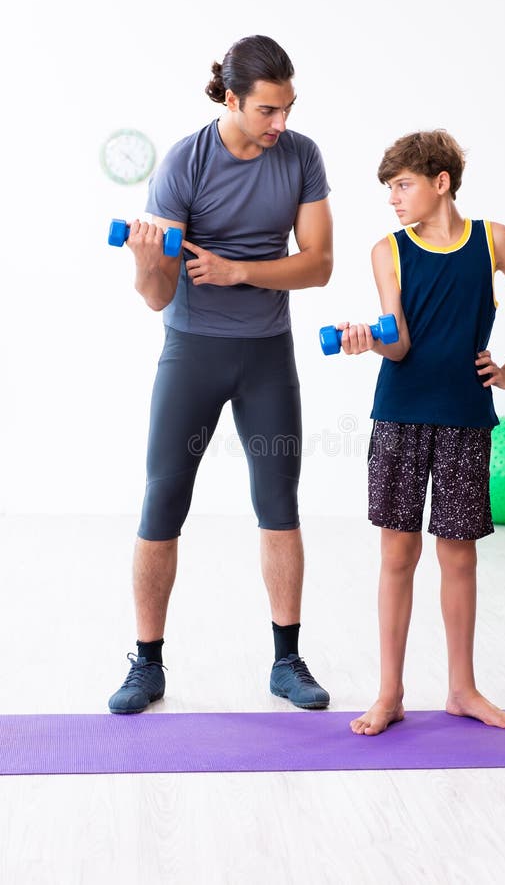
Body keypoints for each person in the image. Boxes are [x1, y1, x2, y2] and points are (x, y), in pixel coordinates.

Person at [108, 35, 333, 714]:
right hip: (193, 352)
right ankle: (146, 664)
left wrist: (240, 271)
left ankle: (287, 661)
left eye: (287, 108)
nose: (280, 124)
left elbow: (318, 264)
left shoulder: (300, 157)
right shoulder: (184, 163)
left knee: (279, 505)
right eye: (267, 110)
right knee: (162, 505)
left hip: (266, 355)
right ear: (230, 99)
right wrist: (148, 259)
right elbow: (154, 295)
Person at [336, 129, 505, 736]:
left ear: (441, 183)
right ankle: (390, 693)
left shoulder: (494, 240)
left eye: (402, 185)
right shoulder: (387, 250)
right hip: (401, 415)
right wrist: (367, 339)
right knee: (397, 554)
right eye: (388, 188)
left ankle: (462, 689)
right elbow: (400, 339)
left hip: (466, 418)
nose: (393, 198)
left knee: (458, 557)